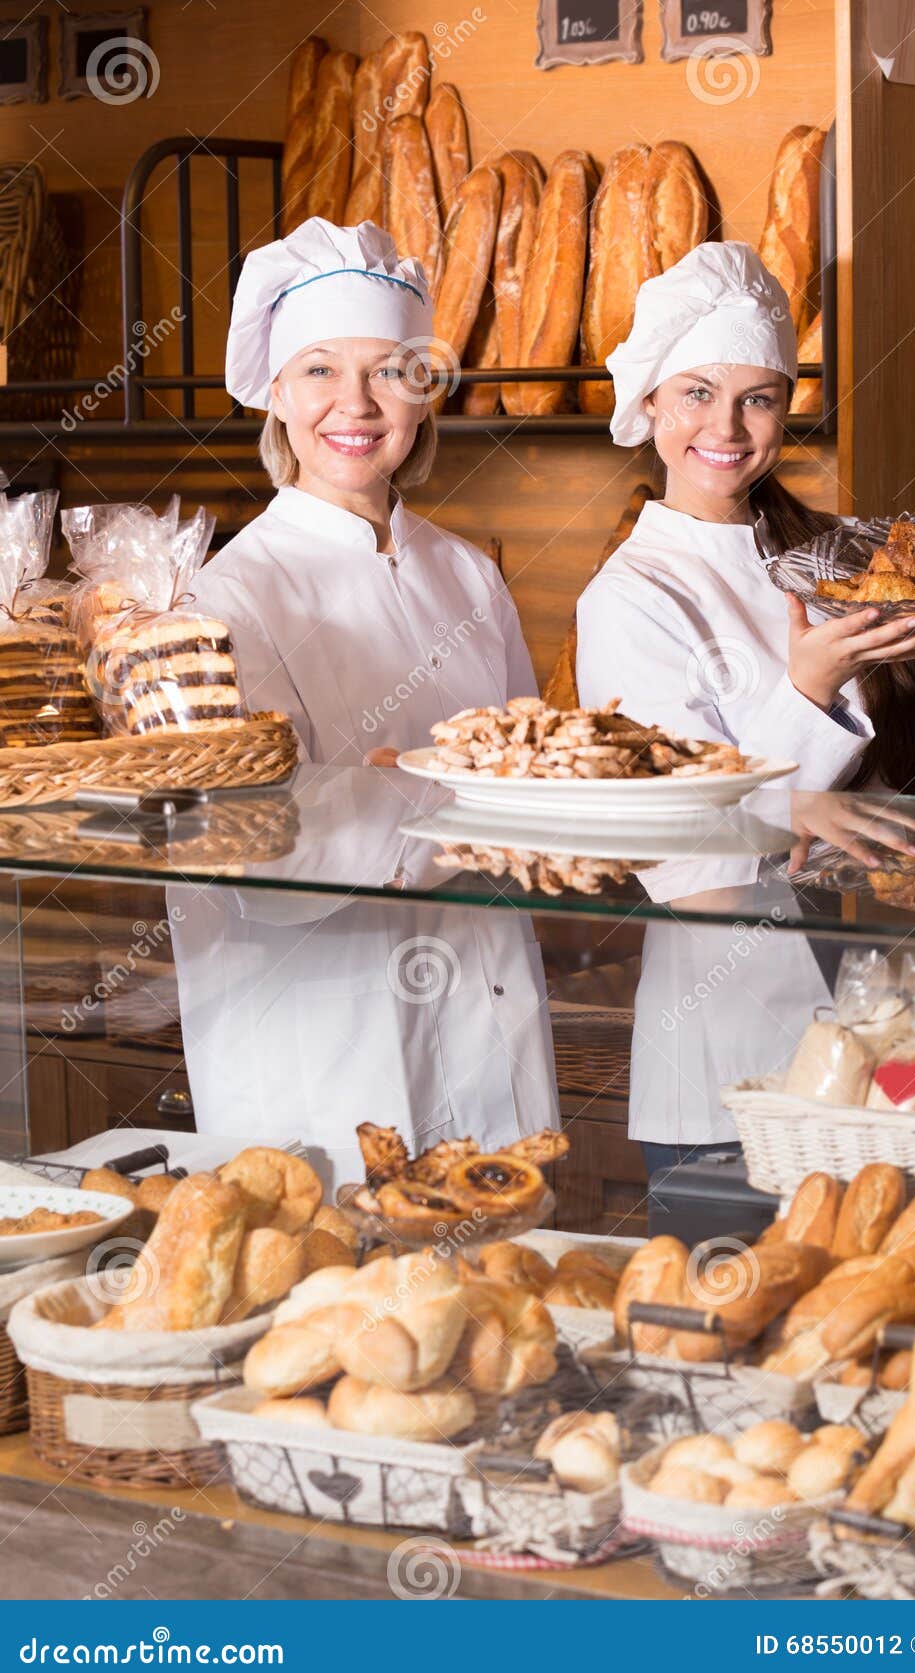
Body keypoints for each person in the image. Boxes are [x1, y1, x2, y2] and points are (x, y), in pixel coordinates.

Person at [575, 241, 915, 1189]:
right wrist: (807, 691)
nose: (726, 427)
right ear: (649, 403)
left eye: (757, 398)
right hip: (734, 1060)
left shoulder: (837, 555)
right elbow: (686, 866)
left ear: (785, 407)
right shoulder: (630, 597)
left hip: (895, 1043)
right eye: (695, 393)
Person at [169, 219, 557, 1186]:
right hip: (324, 1052)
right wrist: (440, 801)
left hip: (488, 1026)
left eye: (388, 371)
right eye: (319, 371)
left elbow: (535, 780)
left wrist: (439, 796)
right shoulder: (225, 596)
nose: (355, 403)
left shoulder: (468, 575)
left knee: (506, 1270)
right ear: (275, 393)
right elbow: (249, 838)